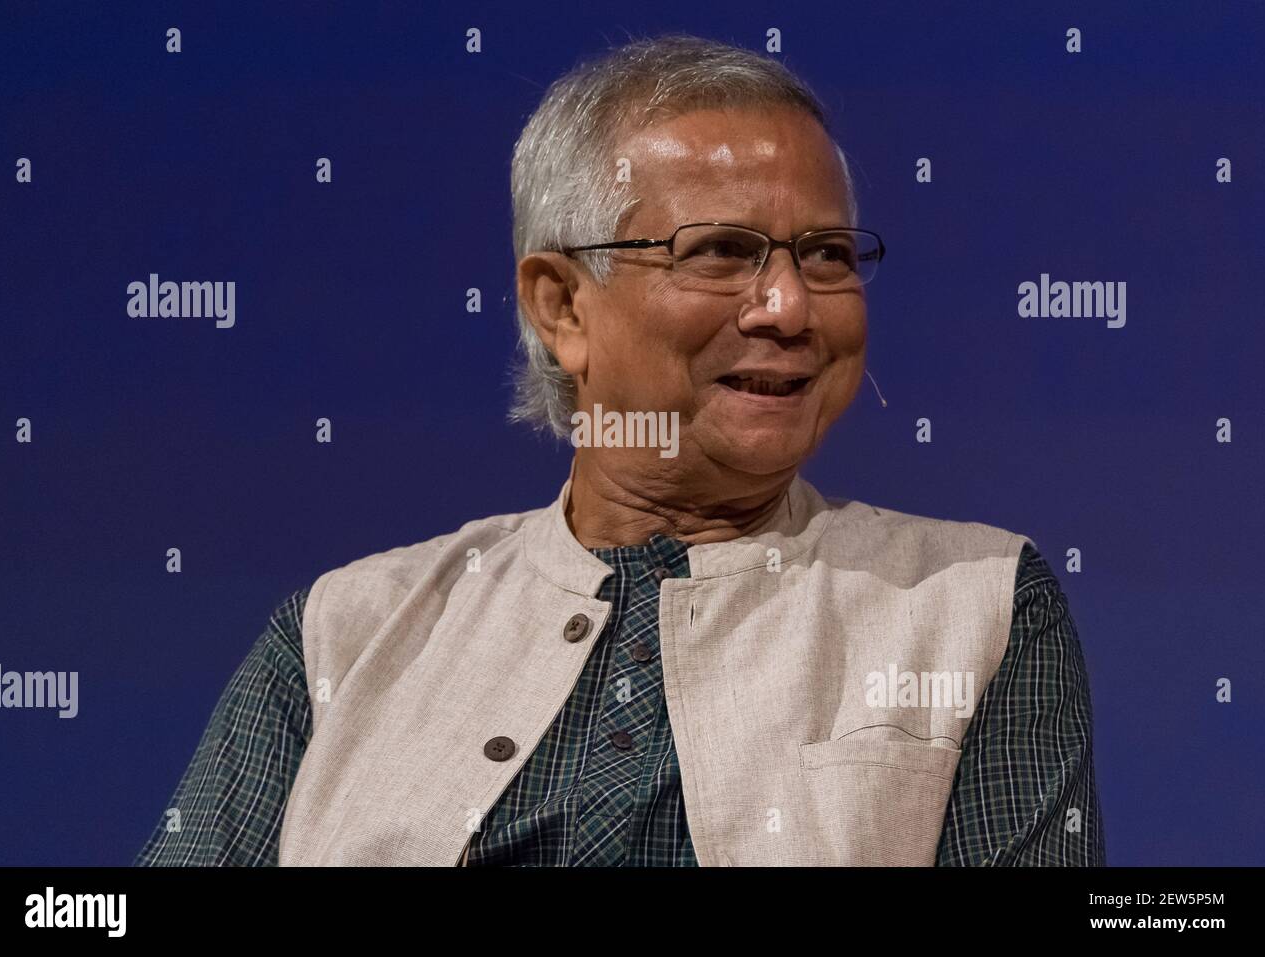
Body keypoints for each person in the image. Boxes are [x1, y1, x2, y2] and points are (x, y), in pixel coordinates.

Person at [136, 33, 1104, 867]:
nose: (790, 308)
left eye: (827, 255)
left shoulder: (970, 603)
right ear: (561, 306)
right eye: (721, 251)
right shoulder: (344, 632)